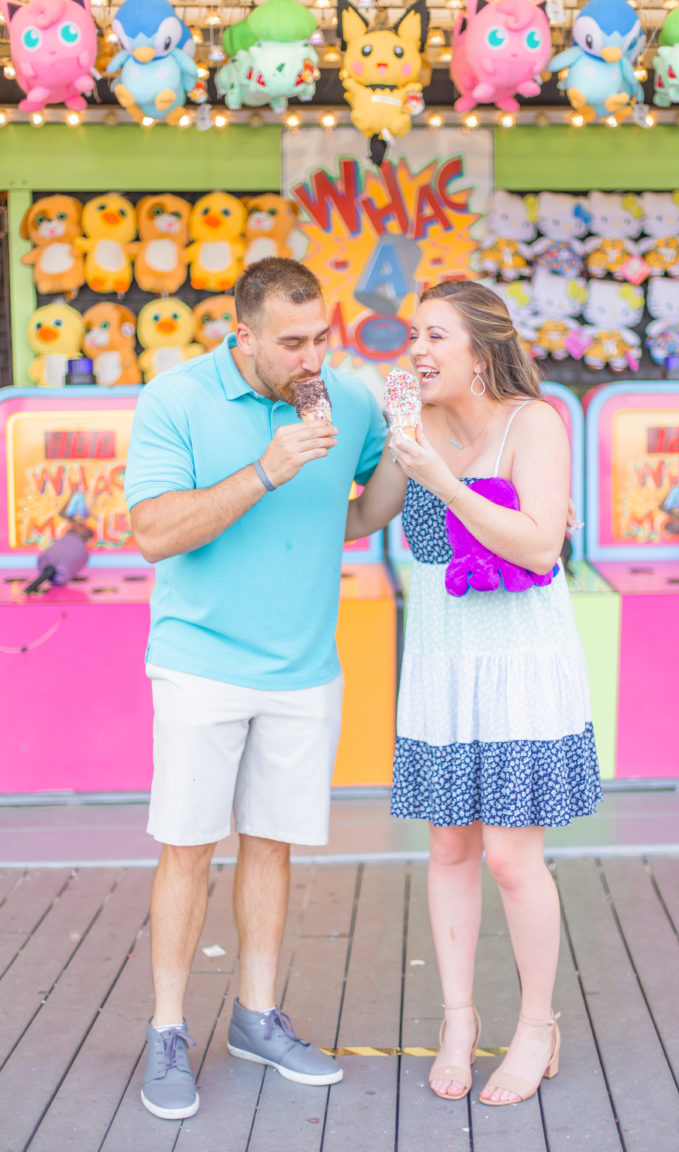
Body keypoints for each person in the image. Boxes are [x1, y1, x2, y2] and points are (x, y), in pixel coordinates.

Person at [124, 257, 386, 1120]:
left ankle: (257, 1017)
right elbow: (154, 532)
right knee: (189, 845)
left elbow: (357, 511)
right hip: (201, 660)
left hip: (305, 664)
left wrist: (412, 433)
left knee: (272, 842)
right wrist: (267, 469)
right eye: (292, 343)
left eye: (322, 337)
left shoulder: (346, 400)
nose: (313, 358)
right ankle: (168, 1029)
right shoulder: (177, 397)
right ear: (241, 334)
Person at [346, 279, 601, 1107]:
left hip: (519, 661)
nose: (416, 351)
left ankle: (536, 1025)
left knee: (510, 856)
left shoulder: (536, 425)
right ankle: (458, 1019)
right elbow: (364, 519)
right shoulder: (413, 430)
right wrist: (381, 441)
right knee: (449, 846)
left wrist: (444, 481)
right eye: (413, 337)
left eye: (435, 337)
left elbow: (534, 548)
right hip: (444, 661)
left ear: (483, 352)